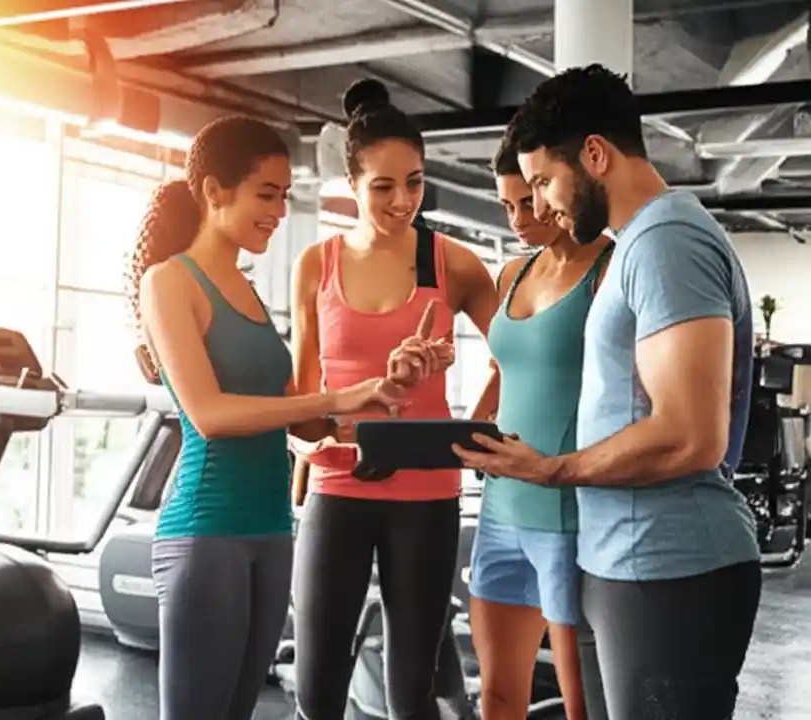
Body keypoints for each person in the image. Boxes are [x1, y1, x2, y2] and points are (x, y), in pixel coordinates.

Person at [454, 64, 761, 720]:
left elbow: (689, 433)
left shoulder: (666, 243)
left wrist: (553, 469)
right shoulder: (643, 244)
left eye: (542, 181)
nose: (538, 207)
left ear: (595, 154)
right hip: (630, 560)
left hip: (671, 565)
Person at [126, 115, 442, 720]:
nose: (278, 211)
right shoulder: (169, 282)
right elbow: (211, 415)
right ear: (215, 192)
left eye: (284, 195)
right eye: (265, 195)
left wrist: (376, 398)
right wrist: (333, 399)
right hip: (206, 531)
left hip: (272, 531)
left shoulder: (245, 289)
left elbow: (293, 422)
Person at [288, 79, 500, 720]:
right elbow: (301, 397)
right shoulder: (315, 265)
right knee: (316, 688)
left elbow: (518, 354)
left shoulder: (452, 263)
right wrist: (316, 439)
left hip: (427, 497)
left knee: (412, 693)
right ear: (350, 184)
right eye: (383, 186)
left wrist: (475, 427)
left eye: (414, 182)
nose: (402, 200)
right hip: (338, 488)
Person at [468, 134, 614, 720]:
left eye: (527, 202)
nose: (519, 219)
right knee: (500, 696)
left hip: (566, 514)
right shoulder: (511, 274)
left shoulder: (608, 268)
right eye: (506, 206)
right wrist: (466, 428)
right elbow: (504, 374)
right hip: (499, 511)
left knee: (581, 705)